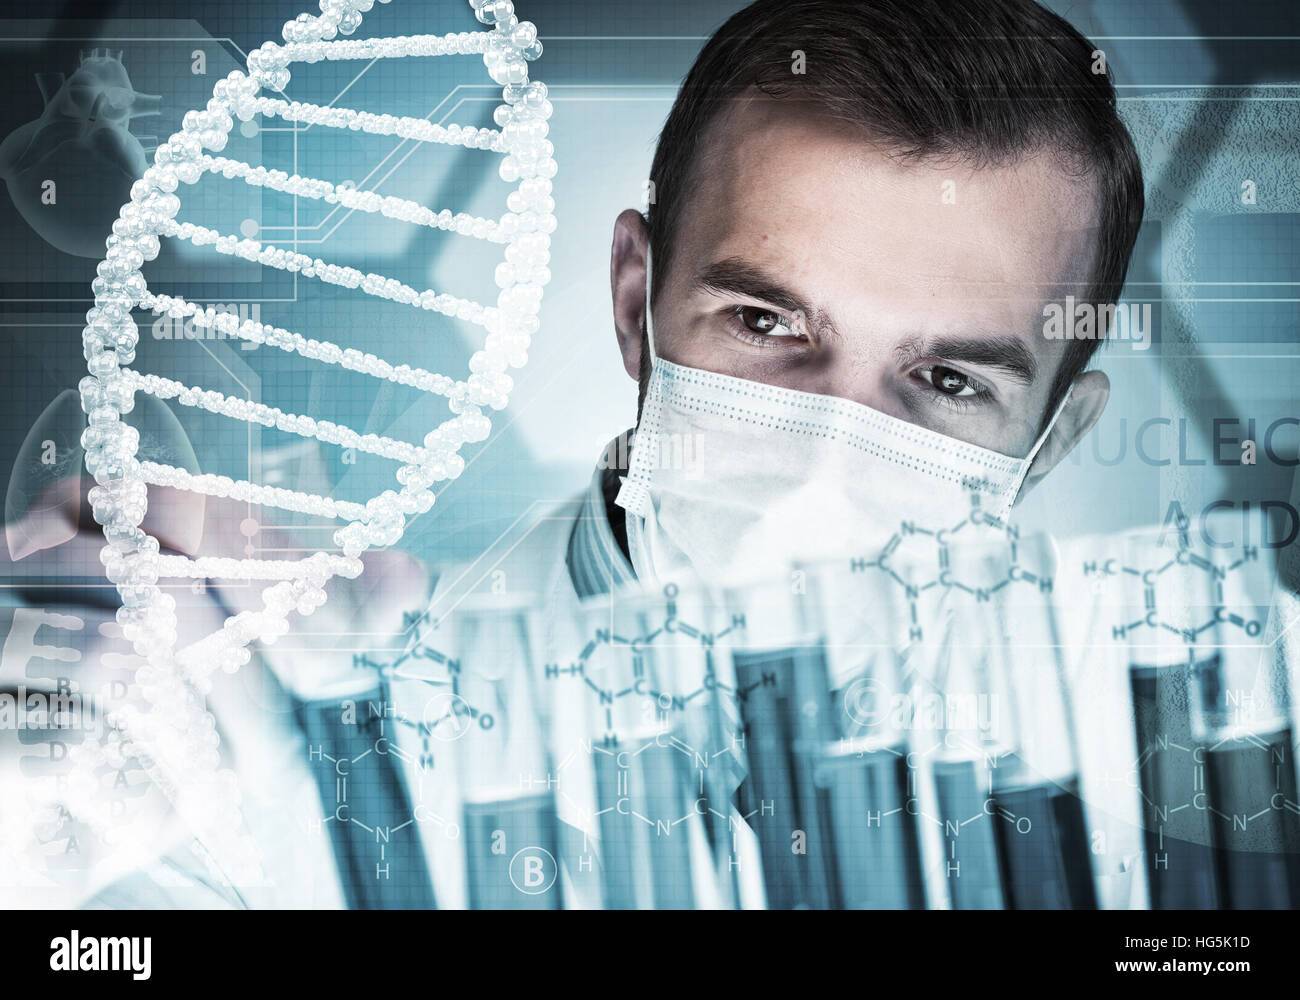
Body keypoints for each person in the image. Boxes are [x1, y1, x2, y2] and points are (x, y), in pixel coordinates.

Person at [6, 0, 1146, 908]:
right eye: (764, 323)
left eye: (948, 381)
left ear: (1049, 444)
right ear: (634, 302)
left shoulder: (1171, 764)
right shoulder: (302, 739)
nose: (825, 462)